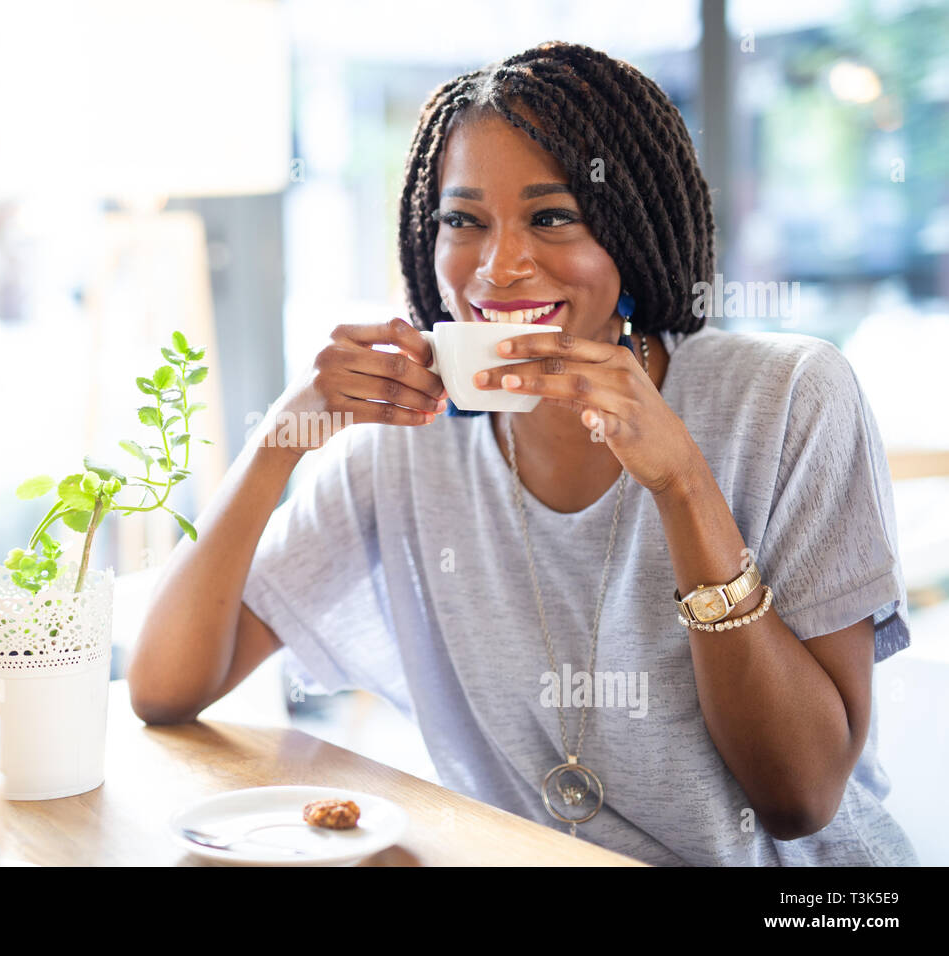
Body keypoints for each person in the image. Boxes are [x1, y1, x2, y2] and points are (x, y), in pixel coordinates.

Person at [126, 41, 919, 866]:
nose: (499, 267)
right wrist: (280, 438)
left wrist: (683, 484)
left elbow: (800, 797)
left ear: (628, 231)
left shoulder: (788, 396)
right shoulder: (408, 441)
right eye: (464, 221)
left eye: (551, 217)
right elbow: (165, 686)